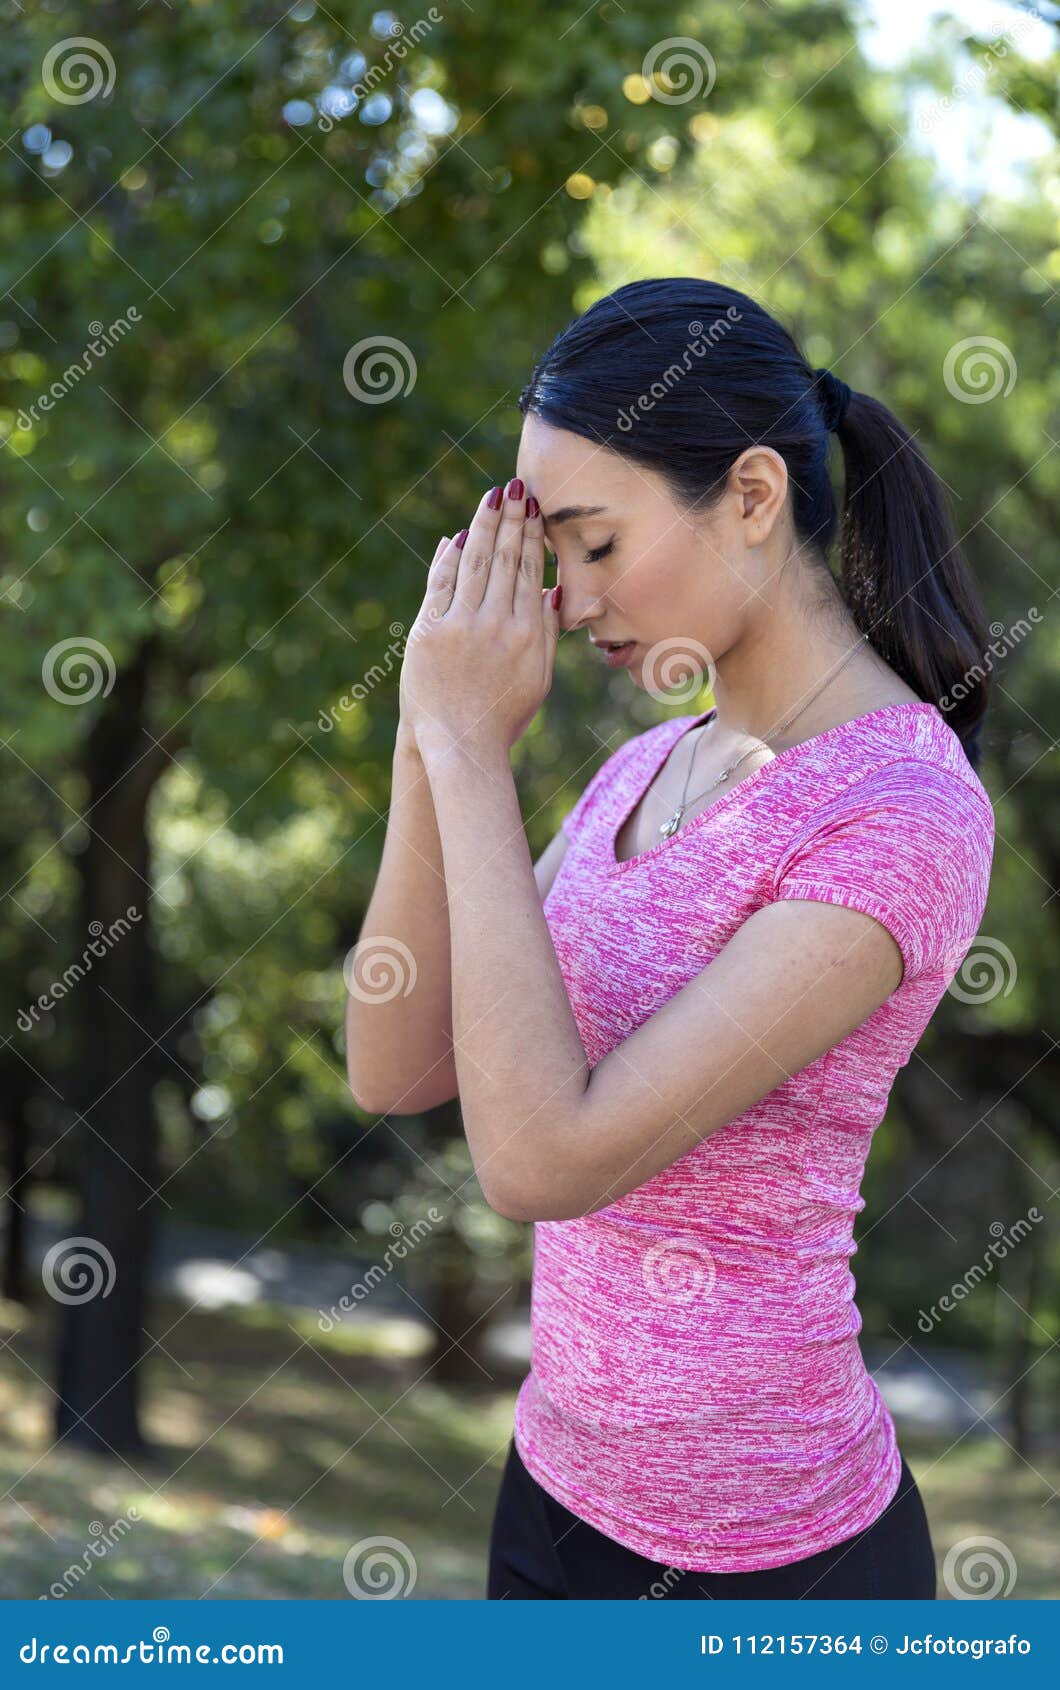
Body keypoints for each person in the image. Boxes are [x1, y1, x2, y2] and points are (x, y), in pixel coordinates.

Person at [345, 278, 995, 1600]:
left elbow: (541, 1158)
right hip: (555, 1508)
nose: (569, 600)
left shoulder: (903, 809)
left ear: (753, 498)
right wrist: (431, 737)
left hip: (781, 1567)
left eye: (595, 542)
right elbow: (397, 1066)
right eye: (548, 557)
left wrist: (475, 754)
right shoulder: (642, 770)